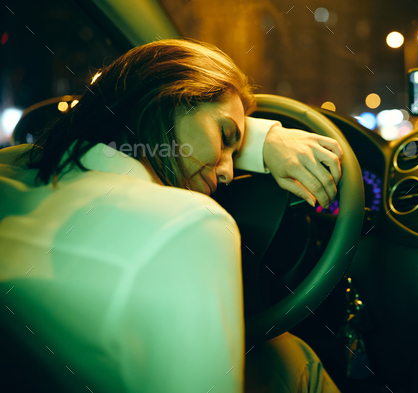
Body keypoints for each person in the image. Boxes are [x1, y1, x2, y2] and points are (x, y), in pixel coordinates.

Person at [0, 38, 342, 392]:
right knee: (295, 356)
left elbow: (148, 122)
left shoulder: (12, 168)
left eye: (235, 152)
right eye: (225, 138)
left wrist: (258, 139)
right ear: (171, 98)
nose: (227, 173)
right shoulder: (192, 225)